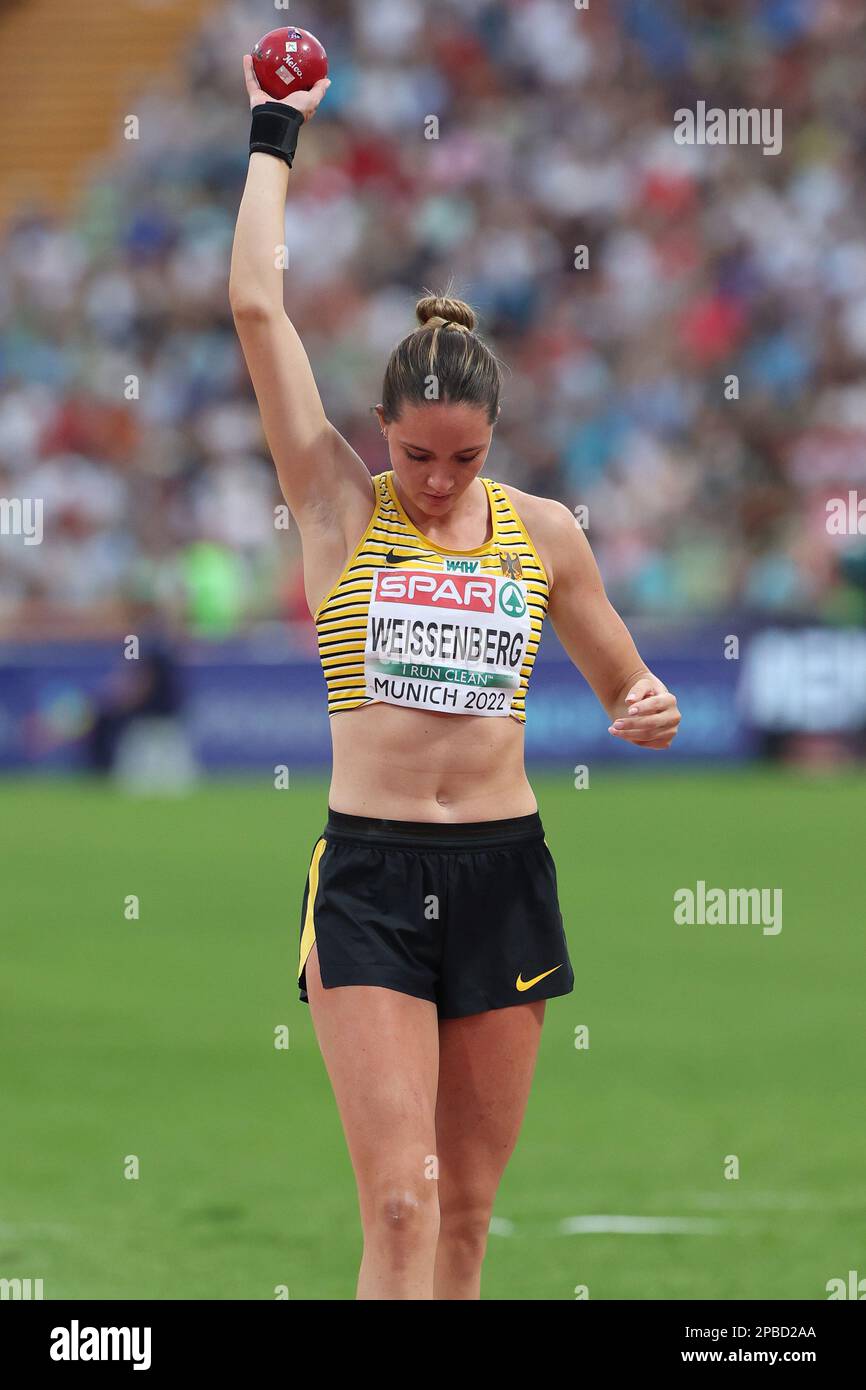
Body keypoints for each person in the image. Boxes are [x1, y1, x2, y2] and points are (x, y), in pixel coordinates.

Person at [230, 58, 682, 1301]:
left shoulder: (545, 533)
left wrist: (645, 705)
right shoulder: (335, 505)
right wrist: (277, 131)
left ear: (495, 438)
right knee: (398, 1198)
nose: (436, 479)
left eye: (463, 458)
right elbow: (259, 316)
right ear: (382, 431)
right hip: (371, 875)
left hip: (503, 873)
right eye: (416, 454)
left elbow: (626, 685)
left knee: (469, 1219)